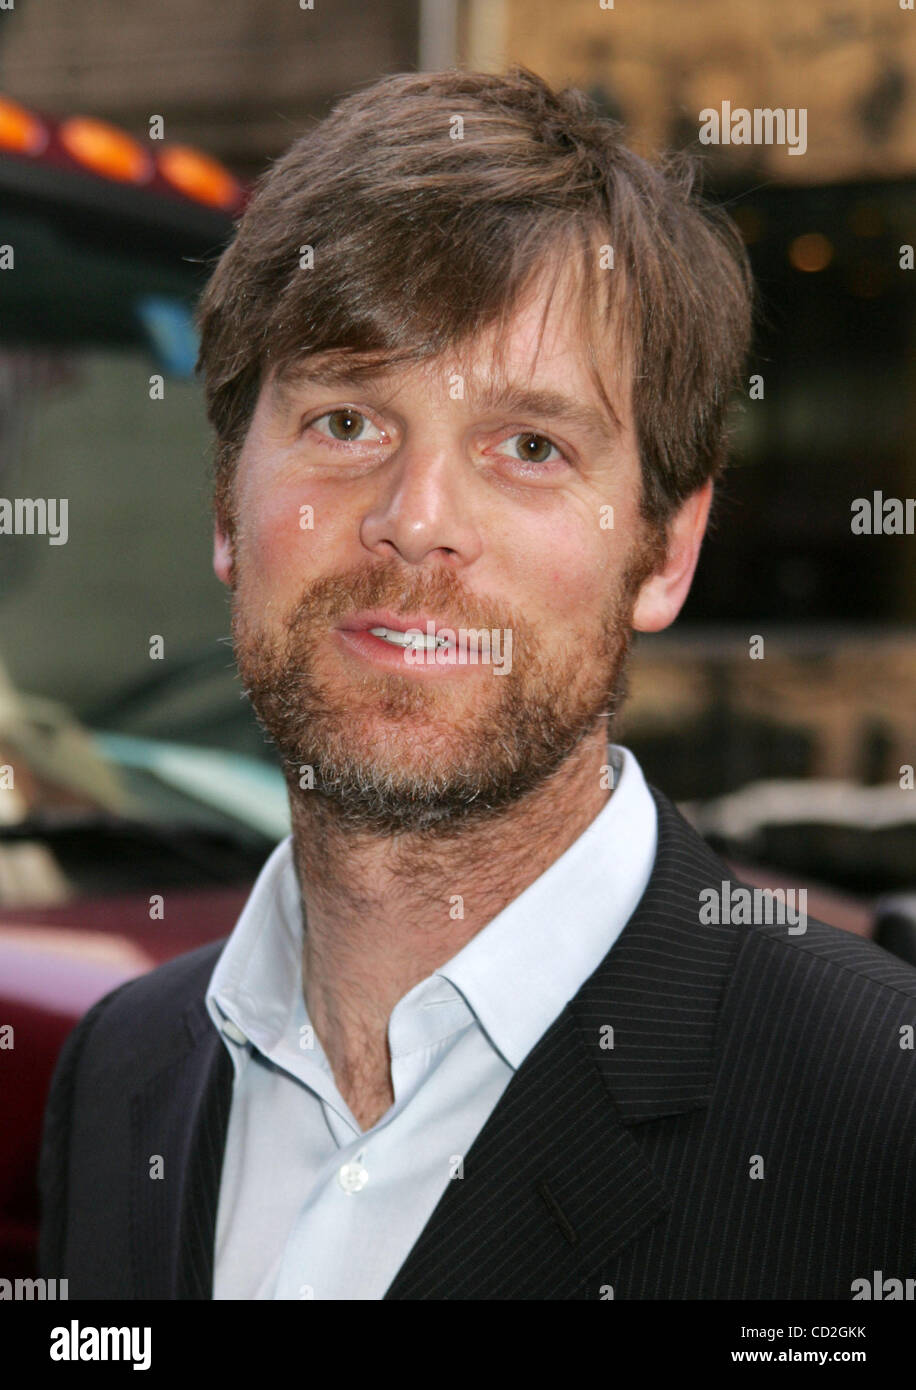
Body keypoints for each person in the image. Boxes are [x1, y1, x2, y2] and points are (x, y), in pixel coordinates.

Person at [38, 65, 916, 1300]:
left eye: (529, 446)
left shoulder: (878, 1122)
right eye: (347, 421)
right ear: (226, 501)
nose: (416, 522)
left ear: (665, 549)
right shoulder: (125, 1070)